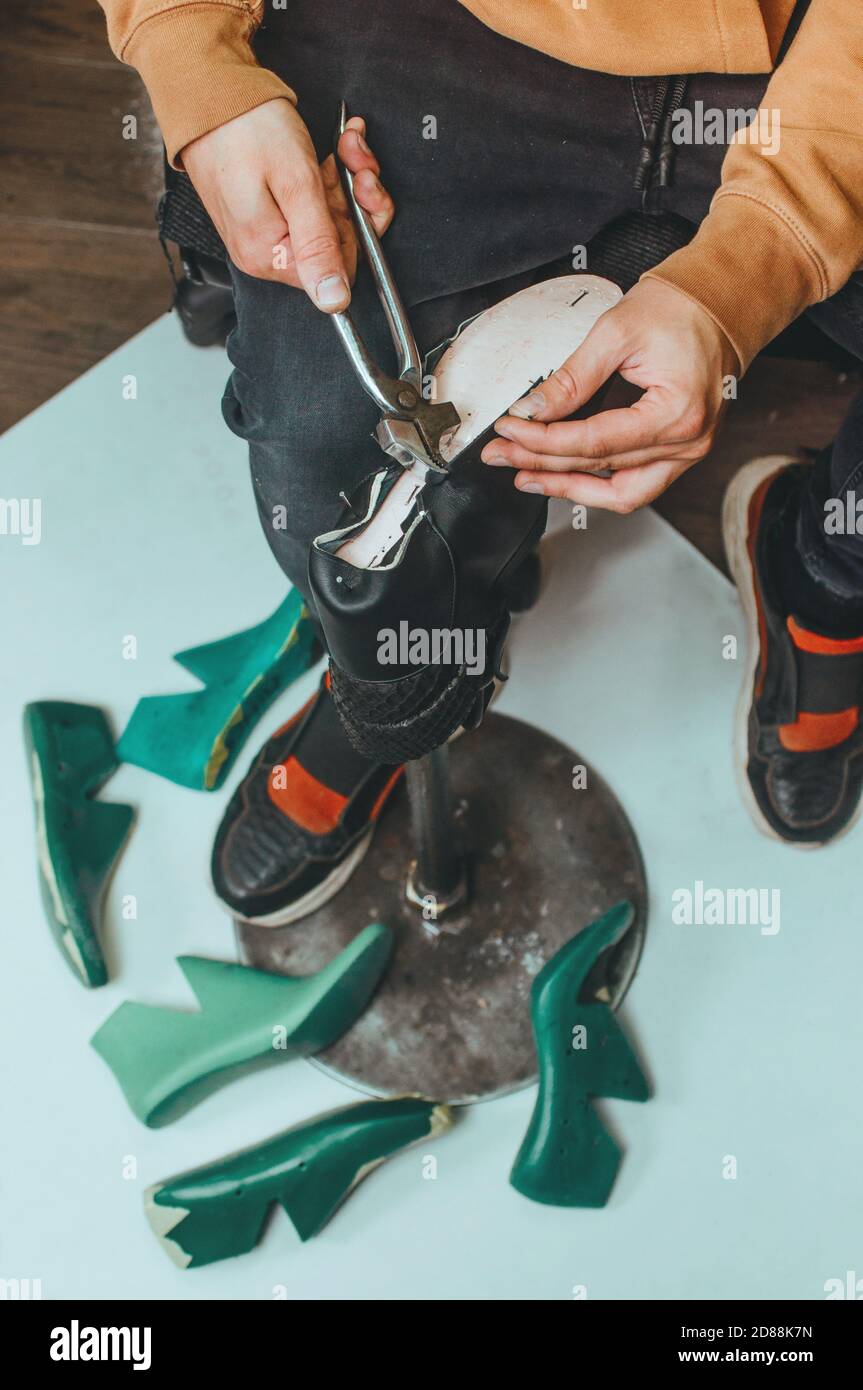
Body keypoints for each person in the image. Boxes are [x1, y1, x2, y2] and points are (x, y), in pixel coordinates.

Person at [98, 0, 863, 920]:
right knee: (322, 467)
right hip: (461, 35)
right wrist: (195, 57)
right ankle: (390, 684)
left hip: (824, 59)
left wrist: (762, 250)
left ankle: (823, 576)